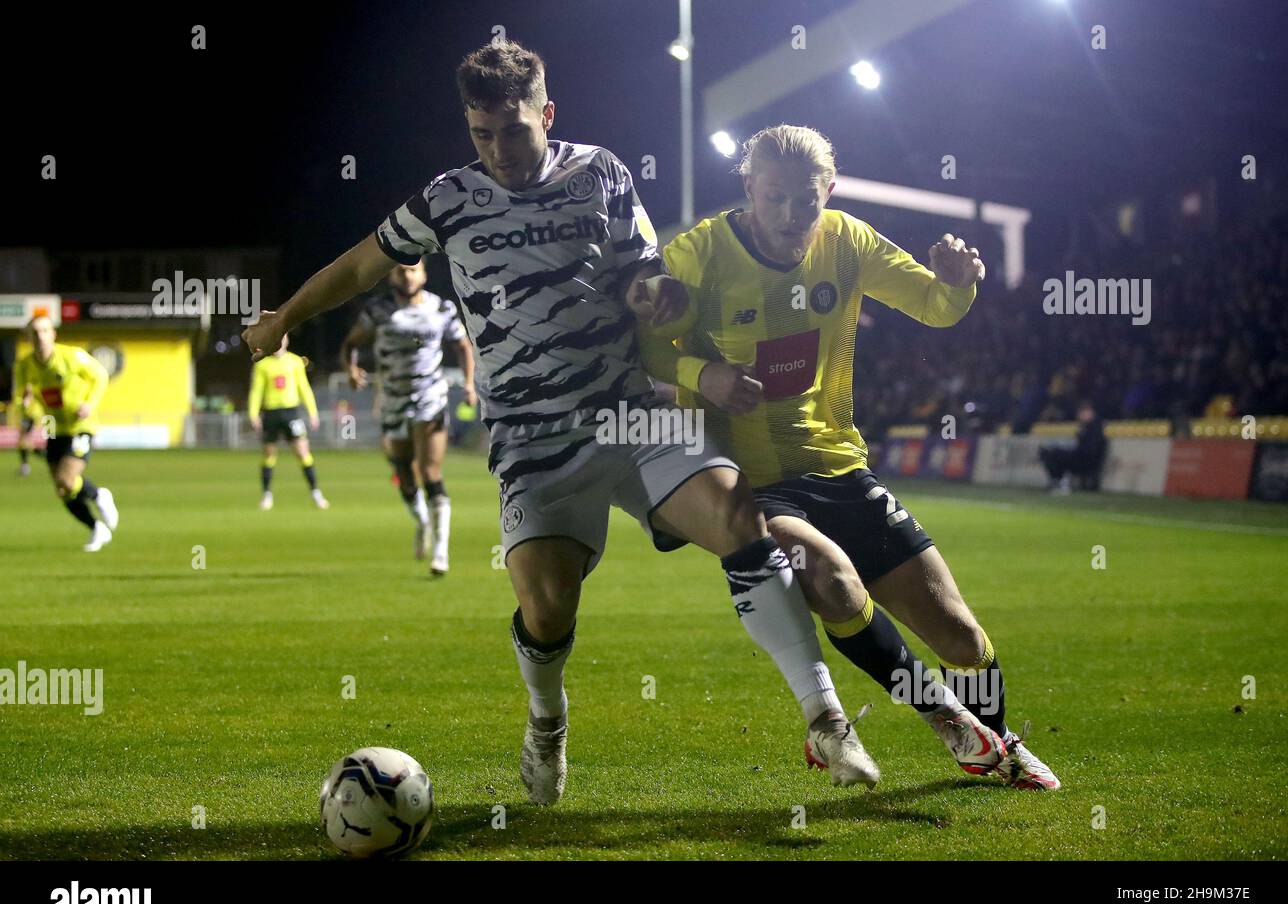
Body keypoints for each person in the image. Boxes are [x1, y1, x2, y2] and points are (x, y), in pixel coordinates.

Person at [244, 42, 877, 805]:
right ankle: (547, 722)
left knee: (742, 516)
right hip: (534, 438)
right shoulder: (448, 198)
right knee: (548, 607)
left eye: (513, 130)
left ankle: (827, 719)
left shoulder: (601, 173)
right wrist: (285, 316)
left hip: (631, 411)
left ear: (546, 113)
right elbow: (358, 266)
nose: (499, 150)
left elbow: (645, 270)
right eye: (481, 133)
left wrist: (658, 298)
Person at [637, 124, 1059, 790]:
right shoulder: (702, 252)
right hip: (749, 486)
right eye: (773, 198)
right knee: (831, 579)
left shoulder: (848, 240)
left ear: (826, 191)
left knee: (960, 637)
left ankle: (996, 744)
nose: (789, 216)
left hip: (838, 466)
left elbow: (934, 305)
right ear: (749, 189)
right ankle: (950, 726)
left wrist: (957, 286)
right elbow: (643, 341)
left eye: (805, 200)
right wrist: (702, 374)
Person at [340, 258, 477, 573]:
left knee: (430, 471)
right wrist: (351, 369)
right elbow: (350, 344)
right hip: (391, 400)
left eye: (414, 269)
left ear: (424, 273)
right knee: (403, 473)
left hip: (430, 398)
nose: (408, 275)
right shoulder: (377, 311)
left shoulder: (441, 309)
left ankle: (441, 552)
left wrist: (469, 384)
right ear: (391, 275)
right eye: (401, 270)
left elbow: (463, 346)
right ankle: (422, 521)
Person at [11, 315, 119, 551]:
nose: (40, 336)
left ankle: (99, 495)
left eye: (44, 331)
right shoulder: (24, 366)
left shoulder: (72, 356)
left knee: (66, 479)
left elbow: (100, 375)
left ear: (53, 334)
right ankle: (97, 528)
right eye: (35, 332)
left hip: (81, 426)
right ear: (29, 337)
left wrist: (90, 403)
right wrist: (25, 403)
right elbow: (21, 400)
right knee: (62, 490)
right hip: (54, 428)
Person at [248, 334, 329, 510]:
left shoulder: (295, 362)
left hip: (291, 412)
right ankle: (266, 495)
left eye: (281, 337)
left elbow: (304, 388)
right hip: (271, 413)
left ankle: (316, 493)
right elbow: (256, 391)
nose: (278, 342)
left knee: (303, 452)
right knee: (269, 454)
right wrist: (253, 413)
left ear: (287, 340)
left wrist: (312, 412)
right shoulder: (263, 364)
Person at [1039, 401, 1107, 493]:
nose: (1081, 415)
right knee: (1050, 453)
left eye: (1083, 412)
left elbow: (1090, 449)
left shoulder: (1095, 426)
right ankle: (1057, 480)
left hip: (1087, 459)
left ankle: (1059, 482)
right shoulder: (1085, 426)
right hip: (1080, 456)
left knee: (1056, 455)